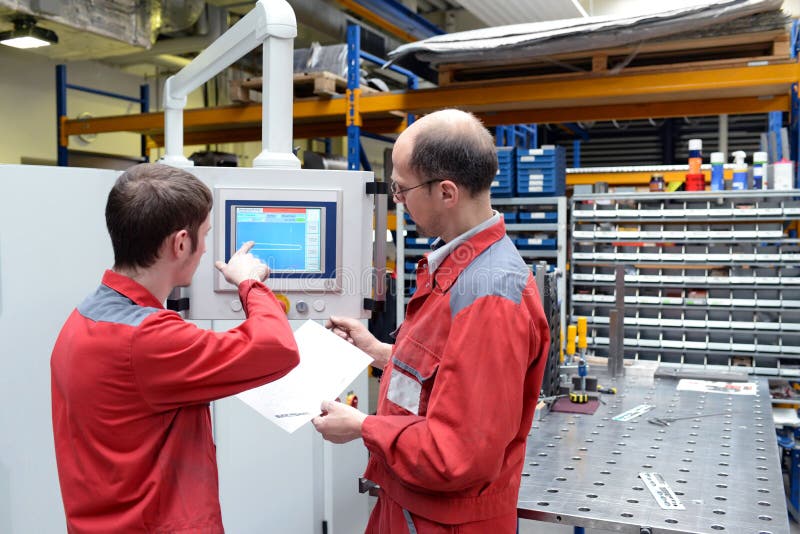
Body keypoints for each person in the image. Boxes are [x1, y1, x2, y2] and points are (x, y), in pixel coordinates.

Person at [312, 109, 551, 533]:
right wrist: (381, 352)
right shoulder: (456, 265)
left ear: (446, 192)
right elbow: (447, 375)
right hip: (410, 505)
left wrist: (364, 427)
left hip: (444, 521)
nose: (398, 200)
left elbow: (457, 453)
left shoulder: (489, 296)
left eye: (401, 189)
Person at [51, 163, 300, 533]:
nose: (203, 250)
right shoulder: (148, 339)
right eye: (204, 237)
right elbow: (276, 348)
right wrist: (250, 284)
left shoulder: (86, 317)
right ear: (181, 243)